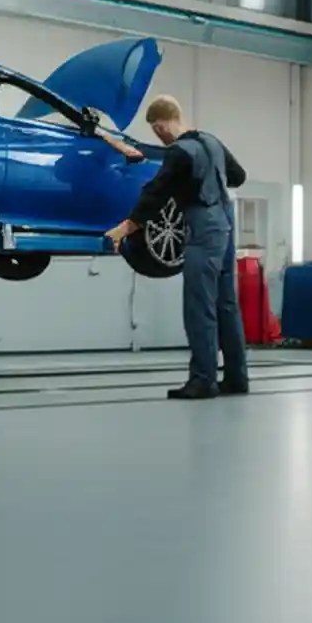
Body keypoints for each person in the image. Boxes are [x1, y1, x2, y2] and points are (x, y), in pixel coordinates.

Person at [100, 95, 249, 400]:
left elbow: (155, 194)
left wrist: (124, 228)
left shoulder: (179, 152)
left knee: (199, 306)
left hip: (204, 228)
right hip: (225, 223)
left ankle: (203, 380)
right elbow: (238, 176)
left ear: (161, 125)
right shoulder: (211, 142)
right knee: (226, 304)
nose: (159, 136)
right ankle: (236, 378)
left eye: (156, 130)